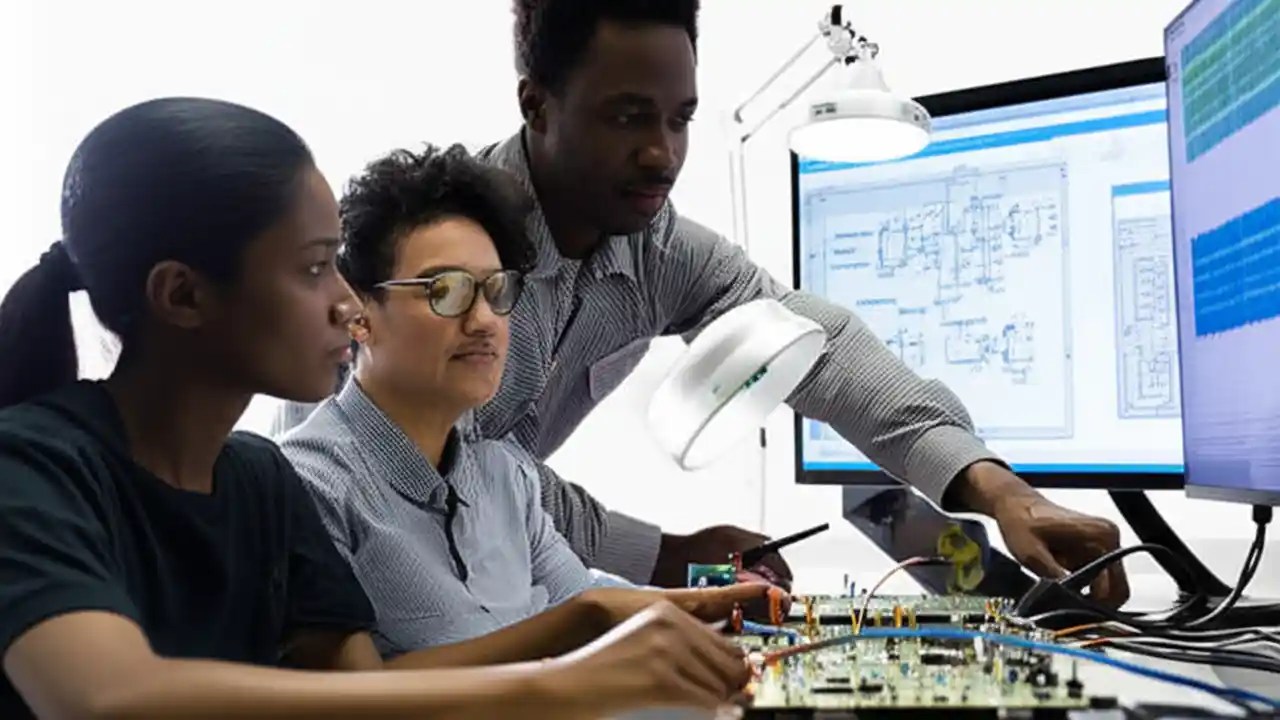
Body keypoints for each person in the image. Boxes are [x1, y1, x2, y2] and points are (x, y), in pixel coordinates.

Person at [275, 0, 1130, 605]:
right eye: (628, 118)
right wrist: (663, 554)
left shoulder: (657, 248)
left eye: (681, 118)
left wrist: (995, 490)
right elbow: (477, 469)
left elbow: (814, 345)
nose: (662, 154)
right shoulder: (443, 257)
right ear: (537, 103)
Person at [0, 97, 763, 720]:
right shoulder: (29, 469)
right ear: (182, 294)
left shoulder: (259, 481)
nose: (344, 304)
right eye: (312, 269)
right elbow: (108, 697)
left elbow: (363, 694)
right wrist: (562, 679)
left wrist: (589, 619)